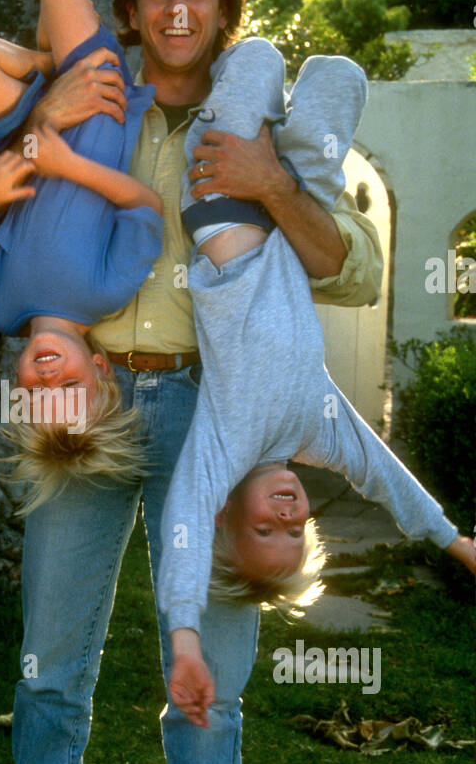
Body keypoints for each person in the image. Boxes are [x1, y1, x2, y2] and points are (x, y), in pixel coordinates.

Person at [0, 0, 384, 764]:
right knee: (52, 649)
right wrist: (39, 121)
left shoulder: (268, 121)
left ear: (225, 8)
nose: (178, 10)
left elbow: (355, 269)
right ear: (132, 8)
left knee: (206, 678)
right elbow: (4, 210)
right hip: (91, 405)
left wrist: (270, 178)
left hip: (214, 413)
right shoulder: (95, 92)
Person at [156, 51, 476, 722]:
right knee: (340, 78)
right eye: (294, 535)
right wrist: (456, 542)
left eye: (264, 532)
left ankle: (226, 84)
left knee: (257, 59)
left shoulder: (220, 447)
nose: (286, 517)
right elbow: (386, 477)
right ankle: (285, 112)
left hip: (226, 211)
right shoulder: (319, 428)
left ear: (227, 515)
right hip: (296, 225)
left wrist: (185, 642)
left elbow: (181, 538)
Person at [0, 0, 164, 505]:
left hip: (19, 133)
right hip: (99, 108)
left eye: (38, 393)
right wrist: (68, 163)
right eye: (69, 387)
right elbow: (145, 209)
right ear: (101, 369)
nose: (48, 376)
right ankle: (53, 57)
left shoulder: (3, 310)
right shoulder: (104, 295)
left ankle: (43, 62)